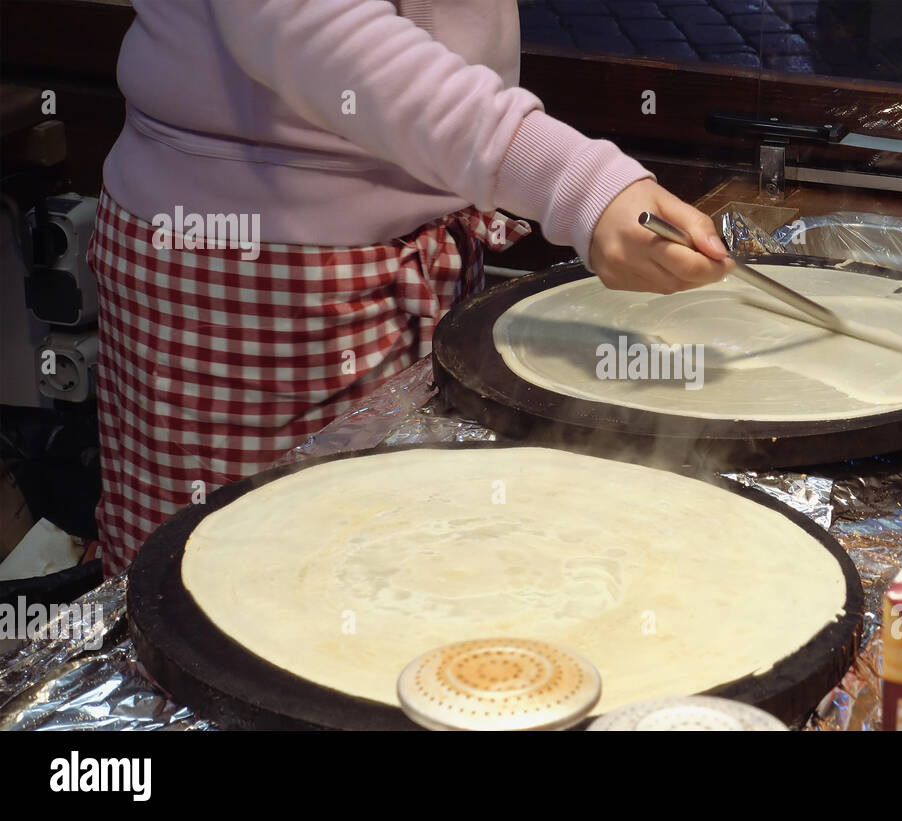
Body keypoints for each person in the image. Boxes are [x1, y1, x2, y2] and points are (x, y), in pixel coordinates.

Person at [89, 0, 731, 575]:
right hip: (253, 279)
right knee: (238, 585)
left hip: (418, 234)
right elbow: (318, 32)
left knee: (399, 568)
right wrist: (575, 180)